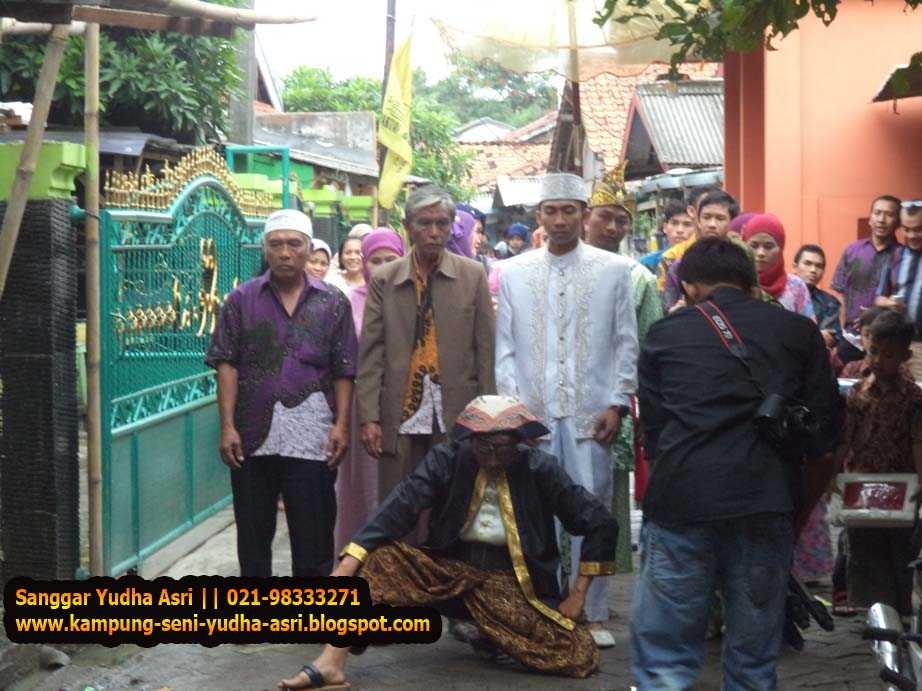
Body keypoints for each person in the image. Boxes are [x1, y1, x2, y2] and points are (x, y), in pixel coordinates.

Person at [278, 395, 619, 690]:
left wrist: (577, 596)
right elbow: (402, 504)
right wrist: (348, 563)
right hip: (450, 572)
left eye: (501, 446)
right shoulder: (449, 458)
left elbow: (600, 523)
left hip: (510, 585)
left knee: (577, 654)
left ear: (519, 441)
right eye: (483, 445)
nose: (491, 454)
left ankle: (488, 632)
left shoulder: (540, 468)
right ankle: (332, 661)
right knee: (379, 561)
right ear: (470, 439)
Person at [632, 237, 841, 689]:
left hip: (680, 502)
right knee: (753, 661)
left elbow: (656, 435)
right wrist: (794, 513)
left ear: (688, 288)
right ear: (751, 284)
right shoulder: (798, 332)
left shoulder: (665, 334)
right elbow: (824, 445)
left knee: (665, 661)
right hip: (763, 503)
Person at [496, 172, 638, 648]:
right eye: (551, 211)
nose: (559, 220)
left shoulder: (615, 271)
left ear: (583, 214)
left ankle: (592, 612)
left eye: (569, 211)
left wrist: (617, 402)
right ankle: (539, 605)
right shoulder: (514, 272)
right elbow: (505, 349)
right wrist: (515, 412)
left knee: (591, 507)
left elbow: (626, 342)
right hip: (533, 413)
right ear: (538, 215)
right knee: (533, 511)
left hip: (590, 411)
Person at [205, 209, 358, 578]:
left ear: (309, 248)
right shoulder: (241, 300)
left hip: (314, 438)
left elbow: (344, 369)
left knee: (314, 536)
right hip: (252, 435)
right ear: (265, 249)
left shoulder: (333, 302)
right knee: (253, 536)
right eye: (276, 244)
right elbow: (226, 364)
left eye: (294, 244)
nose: (285, 253)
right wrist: (227, 426)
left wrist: (341, 424)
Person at [357, 185, 496, 508]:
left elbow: (485, 352)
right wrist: (369, 418)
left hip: (457, 409)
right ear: (408, 227)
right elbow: (371, 353)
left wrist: (487, 417)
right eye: (424, 223)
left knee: (454, 504)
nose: (434, 232)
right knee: (397, 504)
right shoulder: (385, 279)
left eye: (442, 223)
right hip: (399, 409)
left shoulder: (472, 275)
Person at [585, 168, 663, 575]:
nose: (613, 227)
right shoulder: (555, 270)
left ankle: (603, 578)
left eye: (621, 220)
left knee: (609, 491)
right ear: (587, 217)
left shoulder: (639, 279)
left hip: (611, 401)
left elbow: (651, 350)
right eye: (605, 217)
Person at [839, 310, 922, 616]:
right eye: (873, 351)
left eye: (887, 355)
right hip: (862, 483)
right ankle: (873, 616)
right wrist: (834, 474)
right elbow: (846, 438)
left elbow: (917, 442)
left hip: (902, 486)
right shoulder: (858, 393)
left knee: (900, 553)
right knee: (863, 553)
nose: (877, 360)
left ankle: (899, 614)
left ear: (904, 356)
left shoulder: (913, 397)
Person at [333, 228, 405, 555]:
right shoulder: (350, 302)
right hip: (363, 408)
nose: (384, 267)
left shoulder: (414, 298)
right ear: (364, 263)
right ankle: (359, 560)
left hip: (405, 405)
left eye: (391, 259)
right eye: (376, 260)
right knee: (365, 486)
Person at [831, 194, 902, 365]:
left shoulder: (903, 257)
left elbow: (903, 302)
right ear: (870, 218)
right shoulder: (852, 250)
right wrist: (841, 329)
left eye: (889, 214)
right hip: (850, 339)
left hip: (887, 342)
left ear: (898, 222)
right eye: (877, 213)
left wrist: (875, 315)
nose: (881, 219)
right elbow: (838, 292)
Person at [661, 189, 740, 309]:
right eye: (706, 217)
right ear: (698, 220)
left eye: (720, 218)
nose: (712, 224)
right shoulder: (677, 264)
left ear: (732, 221)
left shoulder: (741, 259)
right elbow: (667, 306)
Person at [876, 200, 922, 381]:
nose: (911, 235)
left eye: (918, 229)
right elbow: (878, 298)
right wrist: (890, 303)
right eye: (906, 229)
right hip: (893, 343)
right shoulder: (895, 256)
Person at [742, 214, 815, 319]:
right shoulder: (737, 284)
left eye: (768, 246)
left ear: (780, 249)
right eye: (754, 246)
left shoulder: (796, 286)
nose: (761, 253)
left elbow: (808, 326)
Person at [655, 185, 723, 292]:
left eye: (719, 216)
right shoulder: (670, 258)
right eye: (705, 212)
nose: (712, 222)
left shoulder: (735, 253)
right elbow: (666, 298)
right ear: (692, 211)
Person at [794, 243, 843, 349]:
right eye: (807, 263)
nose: (813, 270)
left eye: (819, 266)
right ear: (795, 267)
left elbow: (830, 338)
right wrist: (816, 335)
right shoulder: (782, 296)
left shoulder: (830, 302)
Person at [639, 199, 695, 274]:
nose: (680, 230)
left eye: (687, 224)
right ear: (665, 228)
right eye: (674, 223)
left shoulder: (703, 260)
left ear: (697, 229)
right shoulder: (648, 263)